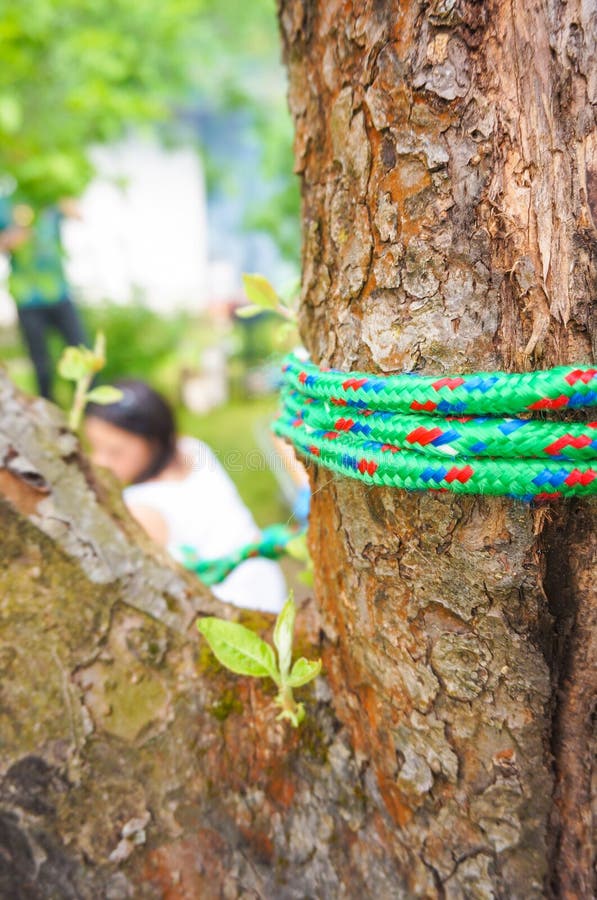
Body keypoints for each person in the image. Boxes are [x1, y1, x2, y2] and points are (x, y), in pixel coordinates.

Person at [84, 379, 287, 613]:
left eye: (115, 451)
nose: (98, 461)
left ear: (153, 442)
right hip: (266, 578)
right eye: (93, 447)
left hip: (235, 608)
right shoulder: (192, 448)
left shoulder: (140, 506)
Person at [0, 197, 88, 399]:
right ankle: (49, 412)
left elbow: (79, 215)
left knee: (81, 349)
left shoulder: (49, 195)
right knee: (41, 364)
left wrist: (69, 206)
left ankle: (92, 413)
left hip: (59, 291)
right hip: (27, 297)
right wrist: (11, 238)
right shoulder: (6, 202)